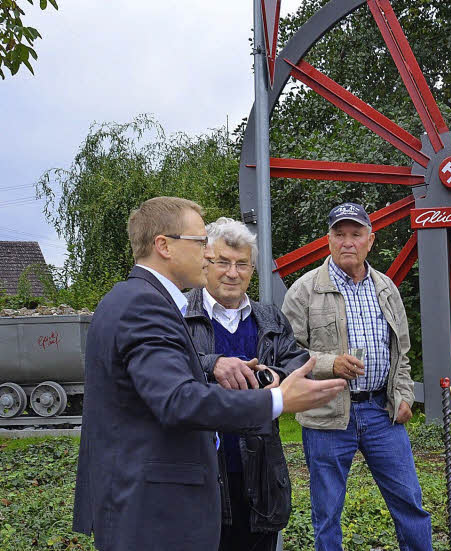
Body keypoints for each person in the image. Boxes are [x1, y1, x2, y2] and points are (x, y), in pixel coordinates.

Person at [73, 197, 347, 551]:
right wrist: (275, 399)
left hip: (153, 500)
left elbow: (160, 392)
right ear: (164, 245)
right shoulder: (144, 305)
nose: (207, 254)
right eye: (200, 242)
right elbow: (177, 399)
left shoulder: (135, 299)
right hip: (150, 510)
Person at [282, 202, 431, 551]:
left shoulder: (387, 289)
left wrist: (404, 395)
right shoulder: (304, 291)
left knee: (410, 503)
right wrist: (328, 364)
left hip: (382, 413)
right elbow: (285, 354)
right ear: (329, 240)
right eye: (340, 234)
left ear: (370, 240)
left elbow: (402, 352)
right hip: (327, 416)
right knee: (327, 512)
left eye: (356, 234)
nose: (348, 241)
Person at [183, 217, 310, 551]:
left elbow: (296, 360)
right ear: (204, 263)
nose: (232, 272)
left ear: (252, 270)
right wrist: (213, 364)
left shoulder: (269, 318)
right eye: (222, 262)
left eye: (242, 264)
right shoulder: (179, 315)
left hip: (261, 468)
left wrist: (277, 376)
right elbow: (166, 370)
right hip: (202, 468)